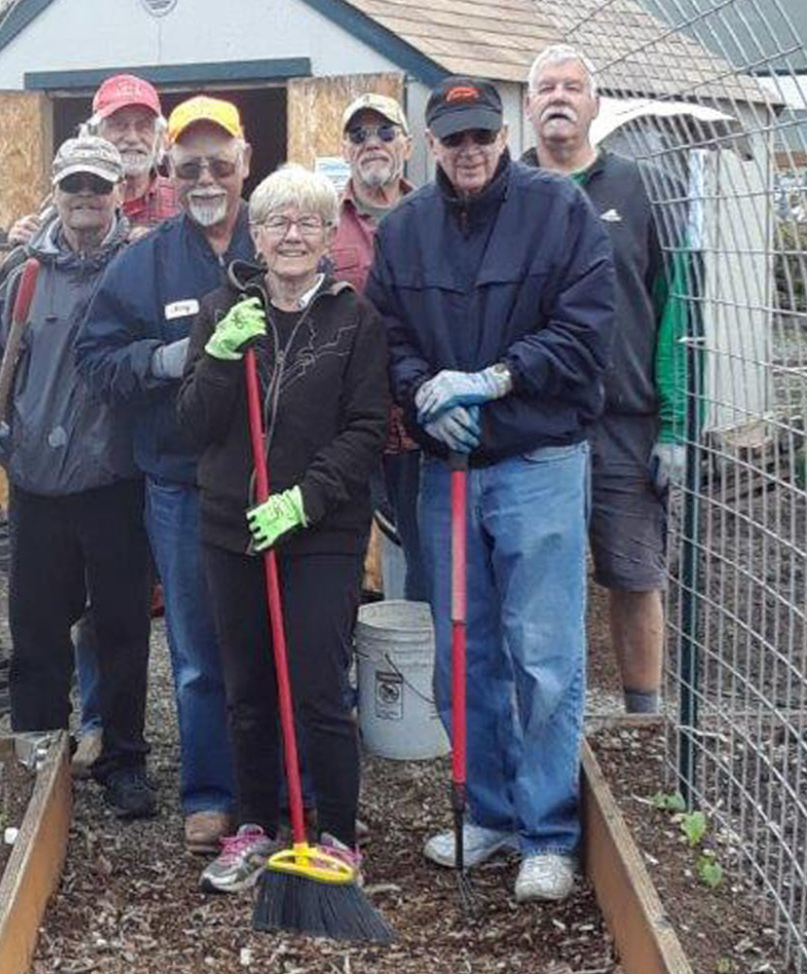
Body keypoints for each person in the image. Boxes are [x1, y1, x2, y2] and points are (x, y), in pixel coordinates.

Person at [366, 77, 614, 901]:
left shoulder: (558, 212)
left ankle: (548, 830)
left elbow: (585, 332)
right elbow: (387, 337)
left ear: (501, 135)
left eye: (481, 137)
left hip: (539, 462)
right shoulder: (405, 232)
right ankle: (492, 812)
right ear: (429, 144)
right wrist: (425, 399)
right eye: (453, 139)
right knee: (462, 652)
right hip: (451, 471)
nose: (468, 152)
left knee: (541, 654)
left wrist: (497, 379)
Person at [177, 165, 389, 893]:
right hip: (231, 530)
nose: (292, 234)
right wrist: (214, 356)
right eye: (277, 222)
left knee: (318, 687)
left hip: (319, 533)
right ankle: (253, 827)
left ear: (331, 237)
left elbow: (365, 432)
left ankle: (336, 833)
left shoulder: (353, 319)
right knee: (247, 689)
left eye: (309, 222)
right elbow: (194, 427)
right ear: (256, 236)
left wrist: (303, 499)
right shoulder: (221, 311)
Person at [0, 136, 155, 818]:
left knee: (122, 632)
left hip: (117, 484)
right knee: (35, 635)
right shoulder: (22, 275)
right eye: (74, 186)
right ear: (56, 193)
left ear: (119, 189)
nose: (86, 197)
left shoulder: (142, 265)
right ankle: (39, 759)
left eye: (98, 185)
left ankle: (122, 760)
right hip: (35, 485)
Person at [76, 96, 254, 854]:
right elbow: (95, 358)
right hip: (180, 487)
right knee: (196, 652)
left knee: (280, 640)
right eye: (190, 166)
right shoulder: (144, 262)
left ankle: (274, 790)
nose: (205, 176)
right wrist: (162, 359)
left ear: (245, 162)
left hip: (271, 484)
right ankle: (211, 794)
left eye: (220, 162)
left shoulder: (277, 236)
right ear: (168, 172)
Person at [522, 45, 690, 715]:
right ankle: (550, 722)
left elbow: (675, 302)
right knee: (538, 586)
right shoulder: (510, 190)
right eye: (546, 88)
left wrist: (675, 423)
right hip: (535, 423)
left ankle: (643, 720)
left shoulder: (639, 188)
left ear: (595, 104)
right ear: (528, 106)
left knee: (634, 575)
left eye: (573, 86)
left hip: (624, 422)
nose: (559, 97)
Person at [330, 93, 425, 602]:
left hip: (415, 428)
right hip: (344, 426)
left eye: (385, 133)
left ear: (407, 145)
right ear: (345, 150)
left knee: (420, 564)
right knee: (345, 569)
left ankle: (419, 675)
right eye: (359, 135)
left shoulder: (433, 215)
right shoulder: (322, 223)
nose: (373, 144)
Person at [9, 73, 177, 245]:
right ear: (93, 134)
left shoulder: (181, 201)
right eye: (119, 125)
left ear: (158, 136)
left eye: (143, 126)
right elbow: (45, 250)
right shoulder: (69, 198)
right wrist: (28, 238)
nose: (132, 138)